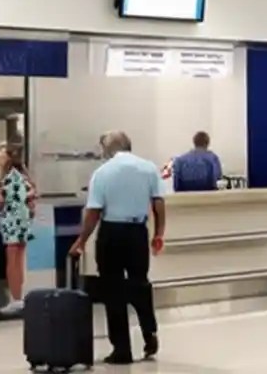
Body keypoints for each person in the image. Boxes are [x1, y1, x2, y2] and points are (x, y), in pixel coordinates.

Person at [69, 132, 166, 365]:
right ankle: (149, 331)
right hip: (138, 232)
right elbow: (158, 203)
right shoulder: (148, 168)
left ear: (108, 149)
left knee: (113, 290)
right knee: (140, 284)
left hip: (111, 234)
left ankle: (122, 350)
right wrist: (158, 234)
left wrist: (81, 241)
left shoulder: (102, 173)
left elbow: (93, 212)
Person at [0, 143, 36, 315]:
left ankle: (15, 299)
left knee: (12, 263)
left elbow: (2, 199)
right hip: (23, 224)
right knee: (19, 262)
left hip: (12, 224)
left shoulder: (10, 178)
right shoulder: (23, 176)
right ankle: (18, 297)